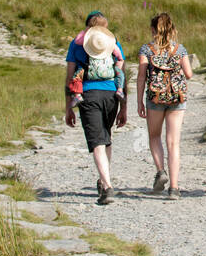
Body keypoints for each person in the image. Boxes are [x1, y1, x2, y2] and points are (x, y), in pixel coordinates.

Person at [65, 11, 128, 205]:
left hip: (88, 94)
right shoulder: (112, 43)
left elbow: (69, 78)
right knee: (105, 137)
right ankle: (104, 180)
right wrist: (124, 107)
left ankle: (107, 186)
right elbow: (122, 74)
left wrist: (68, 107)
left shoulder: (77, 45)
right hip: (111, 94)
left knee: (97, 142)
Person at [136, 12, 192, 200]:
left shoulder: (147, 49)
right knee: (173, 143)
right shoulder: (180, 49)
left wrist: (139, 101)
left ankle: (161, 171)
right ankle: (174, 188)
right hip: (177, 98)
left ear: (153, 30)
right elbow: (189, 74)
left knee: (154, 136)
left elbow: (142, 76)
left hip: (155, 98)